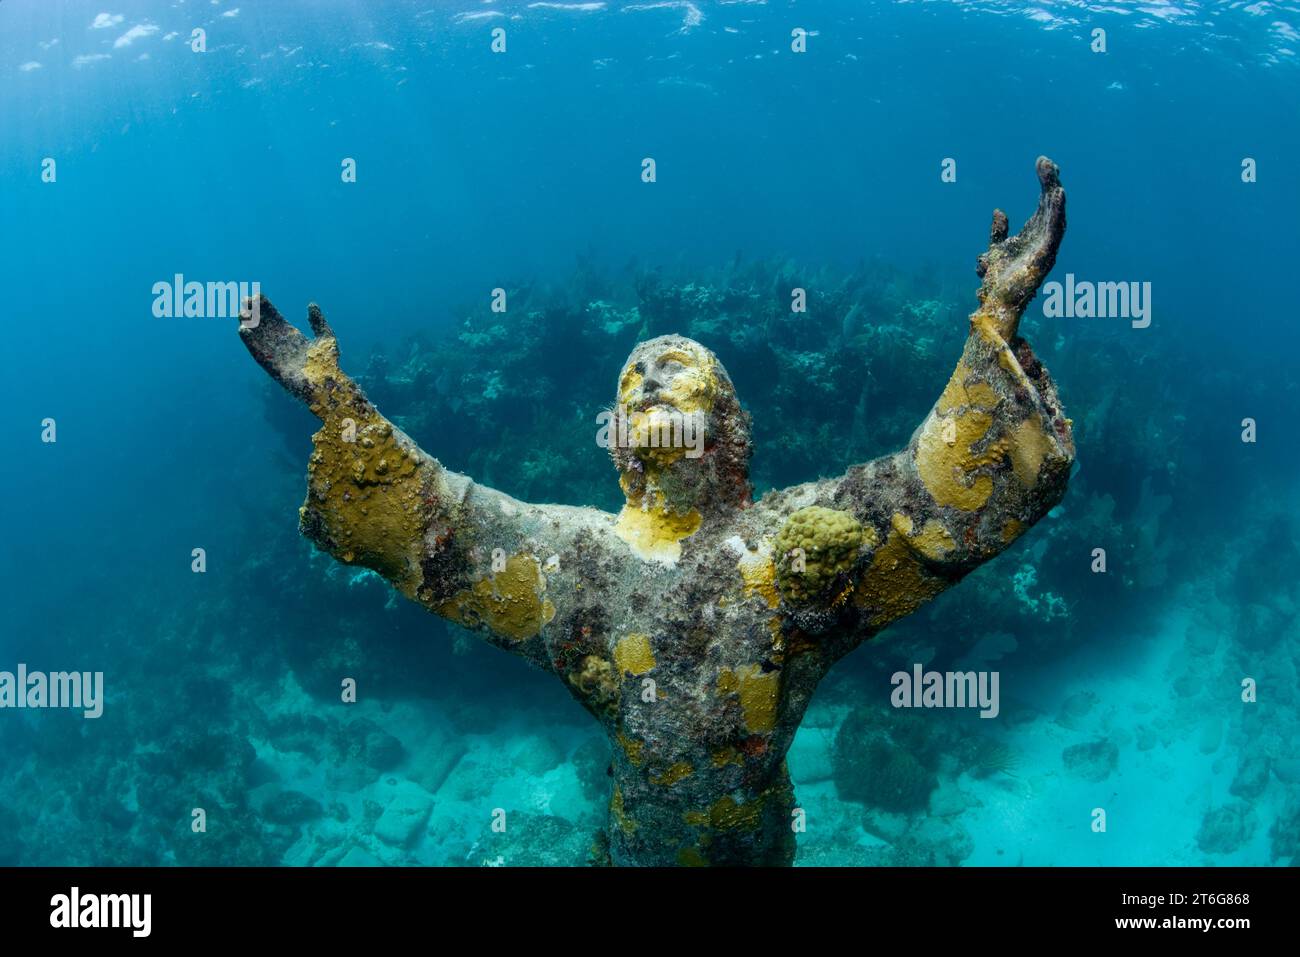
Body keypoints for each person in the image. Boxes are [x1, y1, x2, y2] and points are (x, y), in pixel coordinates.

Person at [239, 157, 1075, 866]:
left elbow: (928, 502)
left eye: (676, 370)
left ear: (728, 424)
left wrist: (994, 318)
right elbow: (440, 523)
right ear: (618, 439)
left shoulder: (793, 548)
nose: (650, 382)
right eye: (634, 378)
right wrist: (336, 404)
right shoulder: (572, 561)